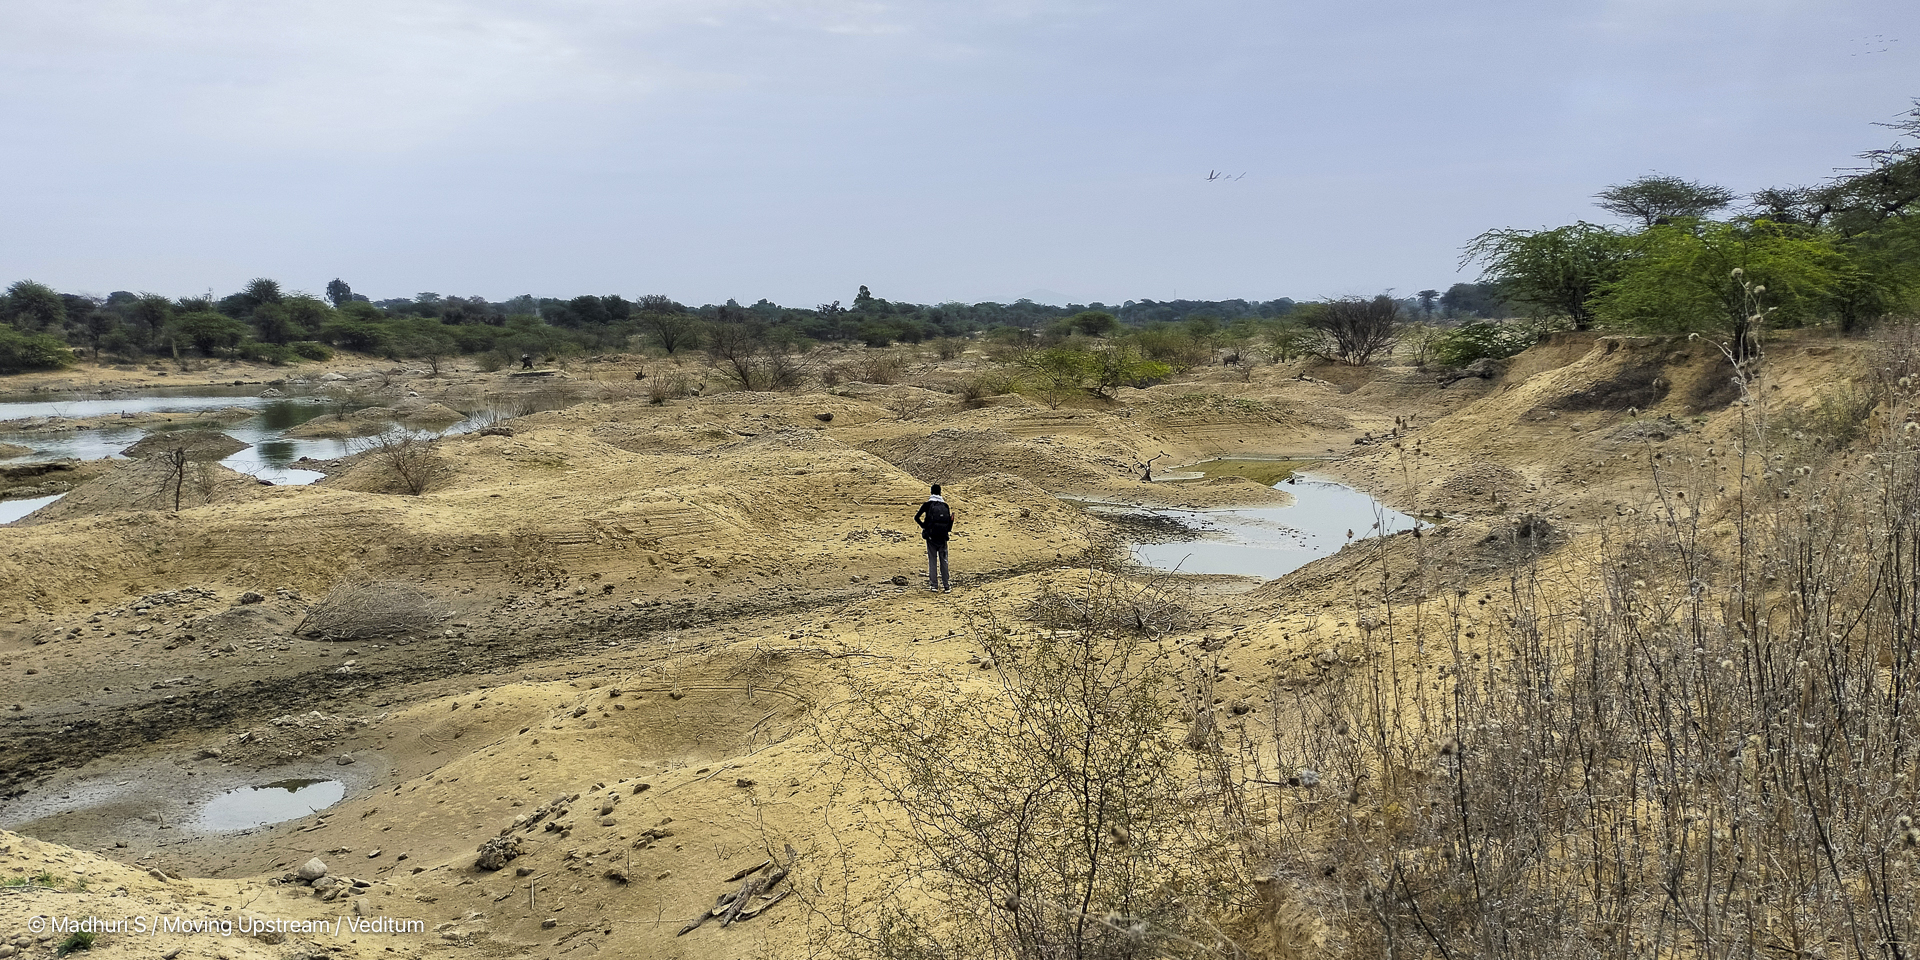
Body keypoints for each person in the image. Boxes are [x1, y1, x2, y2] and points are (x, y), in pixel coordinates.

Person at [914, 484, 954, 592]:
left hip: (931, 537)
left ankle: (934, 585)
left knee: (932, 560)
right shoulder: (945, 506)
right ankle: (946, 585)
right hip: (943, 537)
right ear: (940, 492)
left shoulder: (927, 505)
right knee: (944, 560)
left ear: (931, 492)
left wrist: (924, 527)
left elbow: (916, 517)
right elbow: (948, 526)